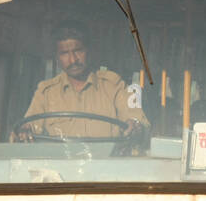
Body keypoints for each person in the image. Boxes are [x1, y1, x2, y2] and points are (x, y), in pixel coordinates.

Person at [19, 27, 147, 141]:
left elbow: (137, 120)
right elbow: (29, 127)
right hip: (60, 166)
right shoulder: (46, 92)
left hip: (105, 165)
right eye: (64, 53)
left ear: (89, 51)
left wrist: (135, 125)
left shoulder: (114, 85)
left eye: (78, 51)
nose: (73, 60)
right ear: (56, 58)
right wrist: (24, 131)